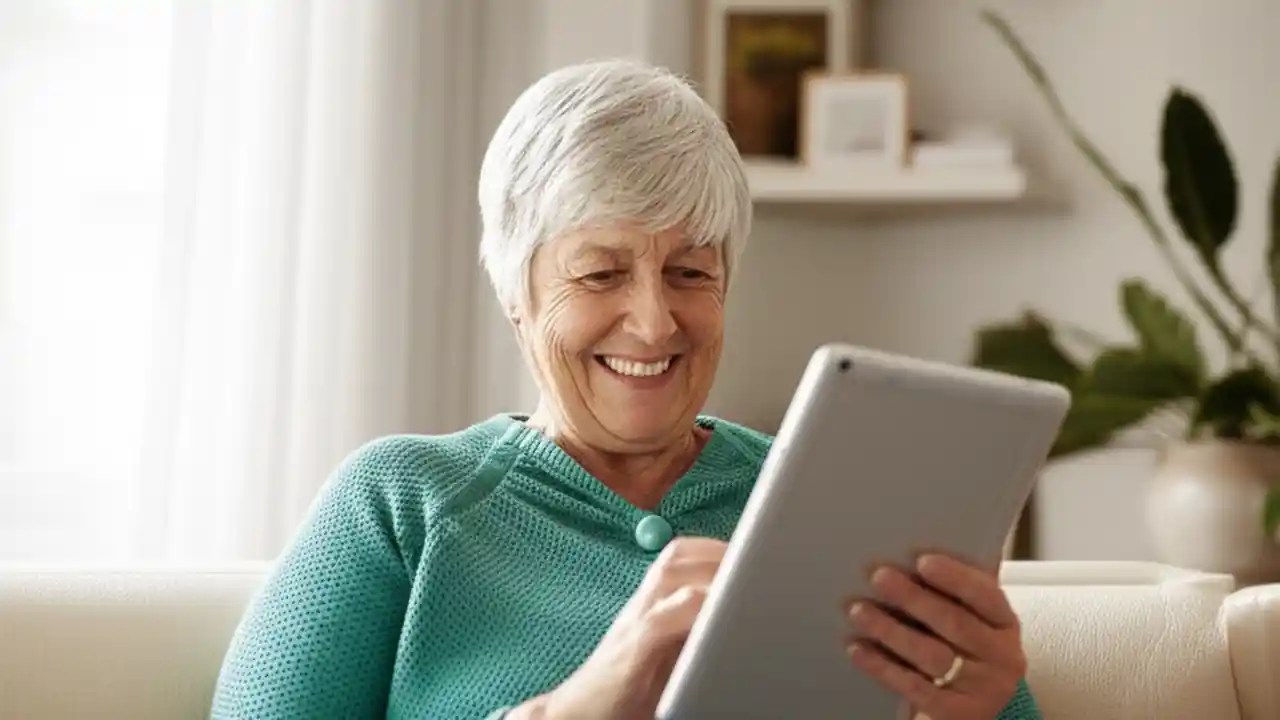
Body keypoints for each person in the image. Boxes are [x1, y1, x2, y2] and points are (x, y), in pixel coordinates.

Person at [210, 59, 1041, 720]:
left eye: (690, 272)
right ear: (516, 293)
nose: (653, 323)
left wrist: (981, 711)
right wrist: (576, 706)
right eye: (601, 272)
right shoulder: (402, 505)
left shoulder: (835, 511)